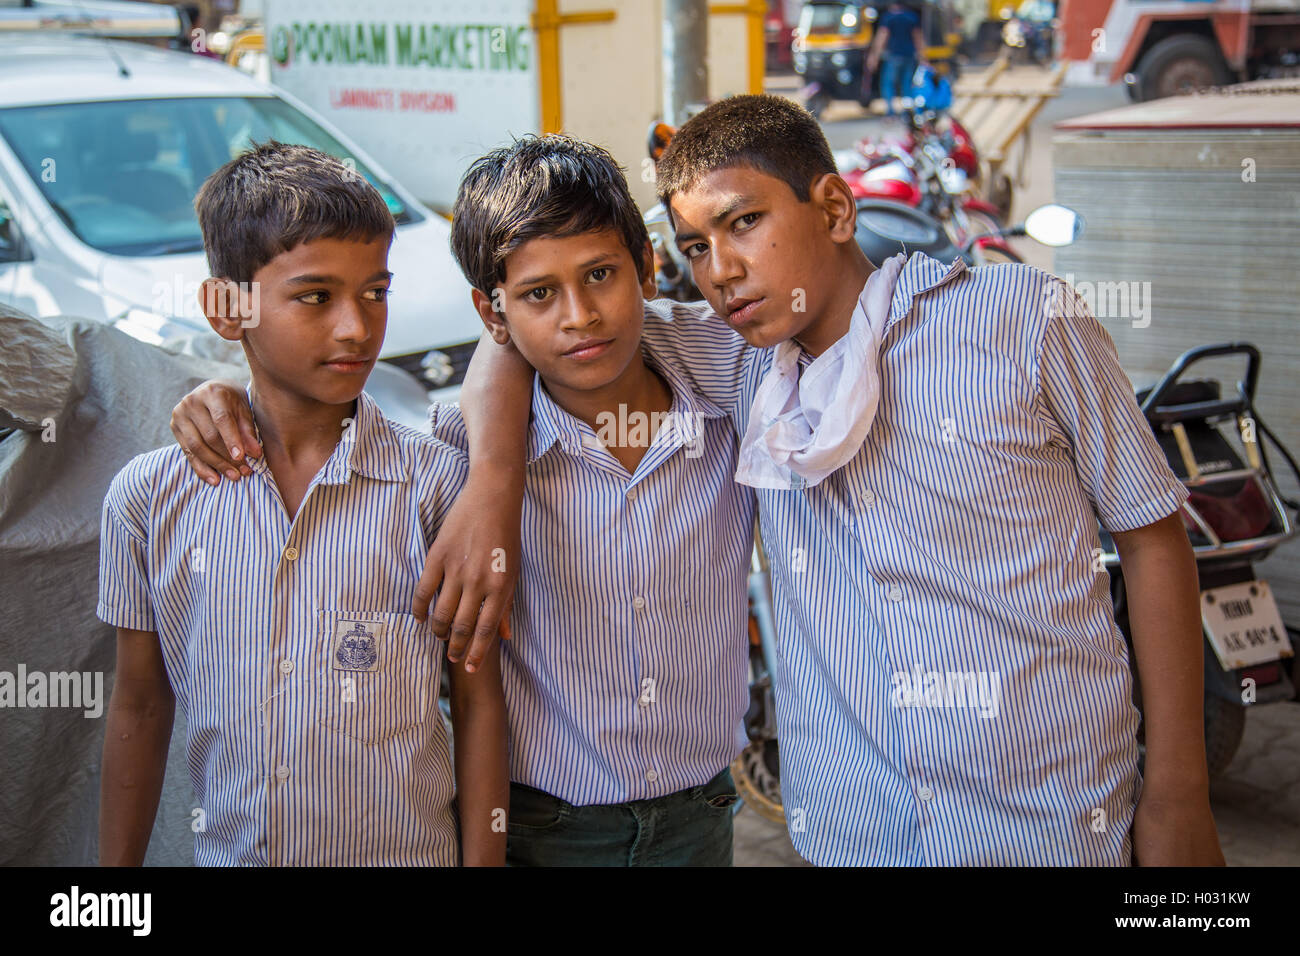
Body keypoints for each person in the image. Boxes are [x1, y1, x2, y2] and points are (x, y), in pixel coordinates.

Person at [425, 95, 1226, 866]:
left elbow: (1152, 536)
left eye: (745, 222)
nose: (723, 271)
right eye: (697, 247)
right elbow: (531, 334)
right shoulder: (743, 364)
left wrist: (1179, 794)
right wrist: (496, 480)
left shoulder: (1018, 321)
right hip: (855, 833)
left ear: (836, 210)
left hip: (1054, 818)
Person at [165, 135, 756, 866]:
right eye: (540, 293)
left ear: (647, 268)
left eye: (601, 275)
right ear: (492, 313)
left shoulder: (728, 403)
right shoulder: (456, 461)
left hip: (702, 816)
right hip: (541, 827)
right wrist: (223, 398)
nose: (580, 315)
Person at [97, 142, 508, 866]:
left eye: (375, 293)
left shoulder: (436, 491)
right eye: (316, 297)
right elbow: (139, 706)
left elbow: (477, 706)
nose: (356, 326)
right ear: (229, 309)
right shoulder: (148, 500)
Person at [867, 1, 927, 116]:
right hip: (909, 55)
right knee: (907, 84)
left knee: (888, 84)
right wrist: (922, 56)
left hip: (893, 56)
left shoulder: (888, 17)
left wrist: (874, 56)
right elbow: (918, 37)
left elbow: (882, 37)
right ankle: (907, 111)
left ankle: (890, 110)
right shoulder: (912, 17)